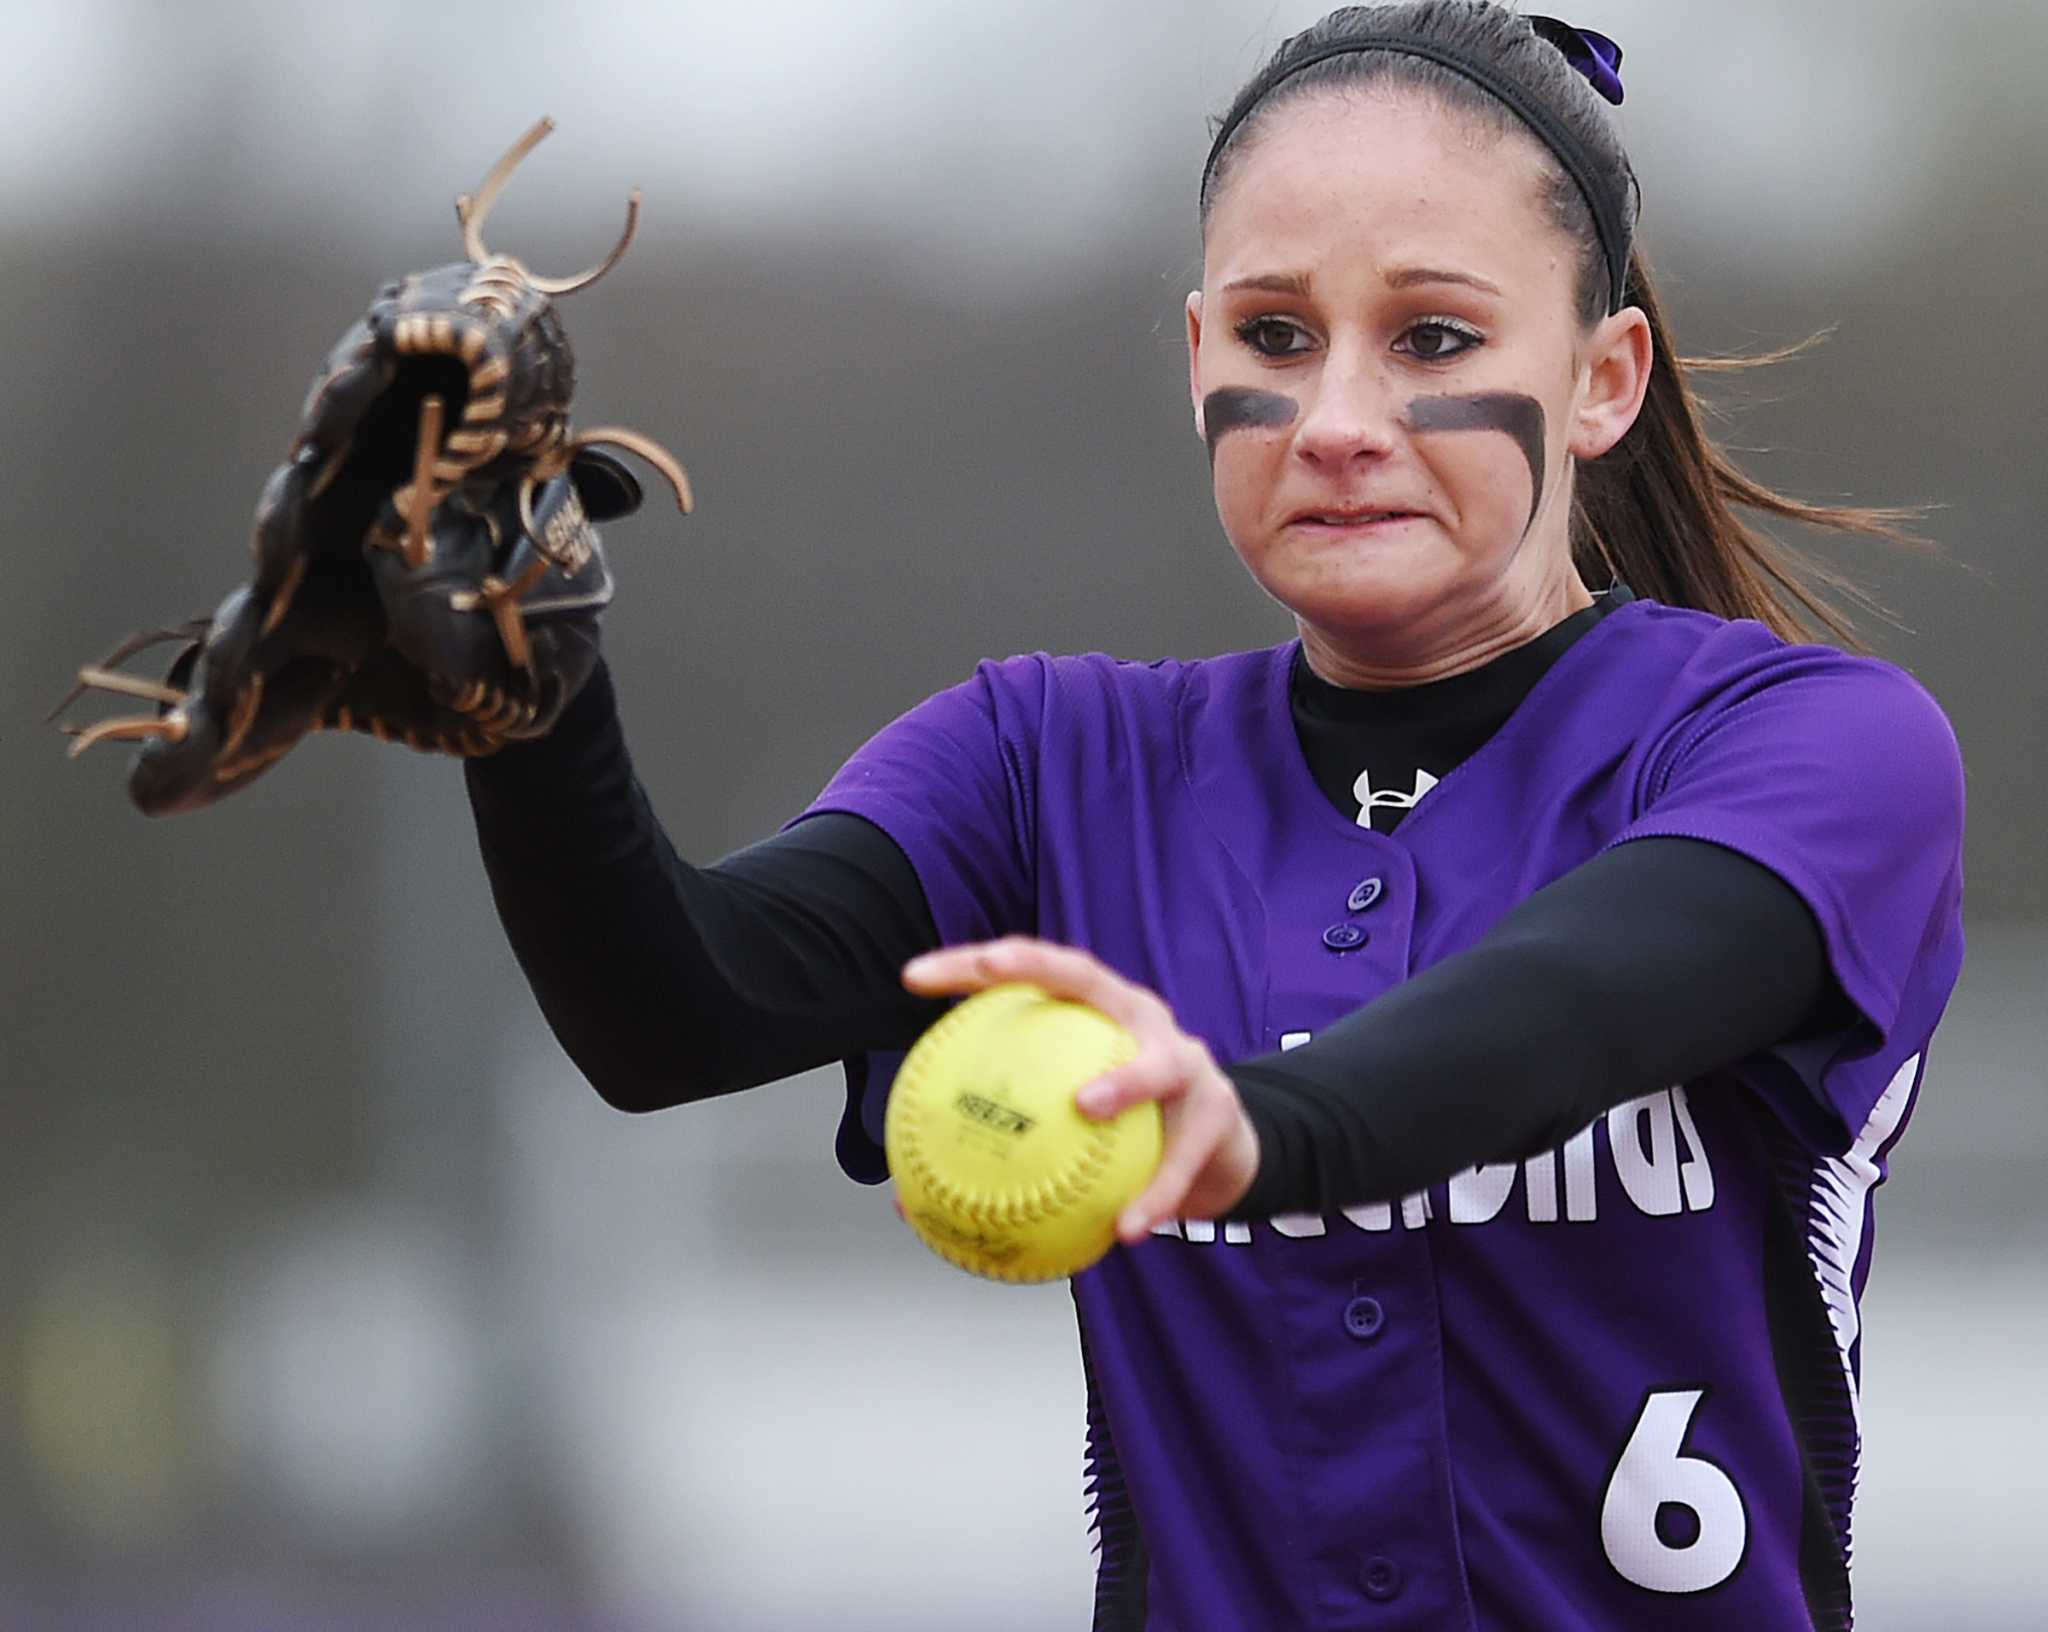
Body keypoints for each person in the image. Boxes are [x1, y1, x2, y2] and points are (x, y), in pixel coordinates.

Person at [464, 4, 1965, 1627]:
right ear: (1196, 360)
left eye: (1437, 340)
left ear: (1601, 380)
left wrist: (1267, 1129)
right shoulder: (1047, 761)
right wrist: (518, 675)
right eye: (1274, 336)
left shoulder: (1809, 743)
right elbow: (668, 1010)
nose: (1334, 420)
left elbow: (1578, 1007)